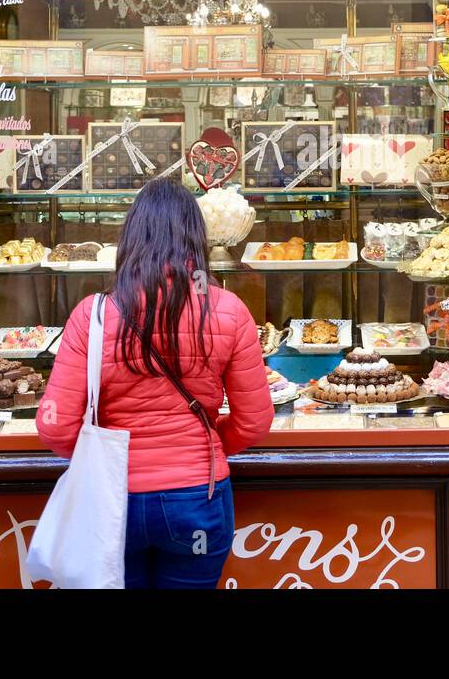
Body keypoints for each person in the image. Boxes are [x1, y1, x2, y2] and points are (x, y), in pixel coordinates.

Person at [38, 178, 274, 589]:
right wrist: (210, 440)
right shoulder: (229, 310)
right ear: (196, 237)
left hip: (113, 503)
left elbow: (55, 427)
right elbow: (253, 422)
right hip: (196, 501)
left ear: (130, 236)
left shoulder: (92, 315)